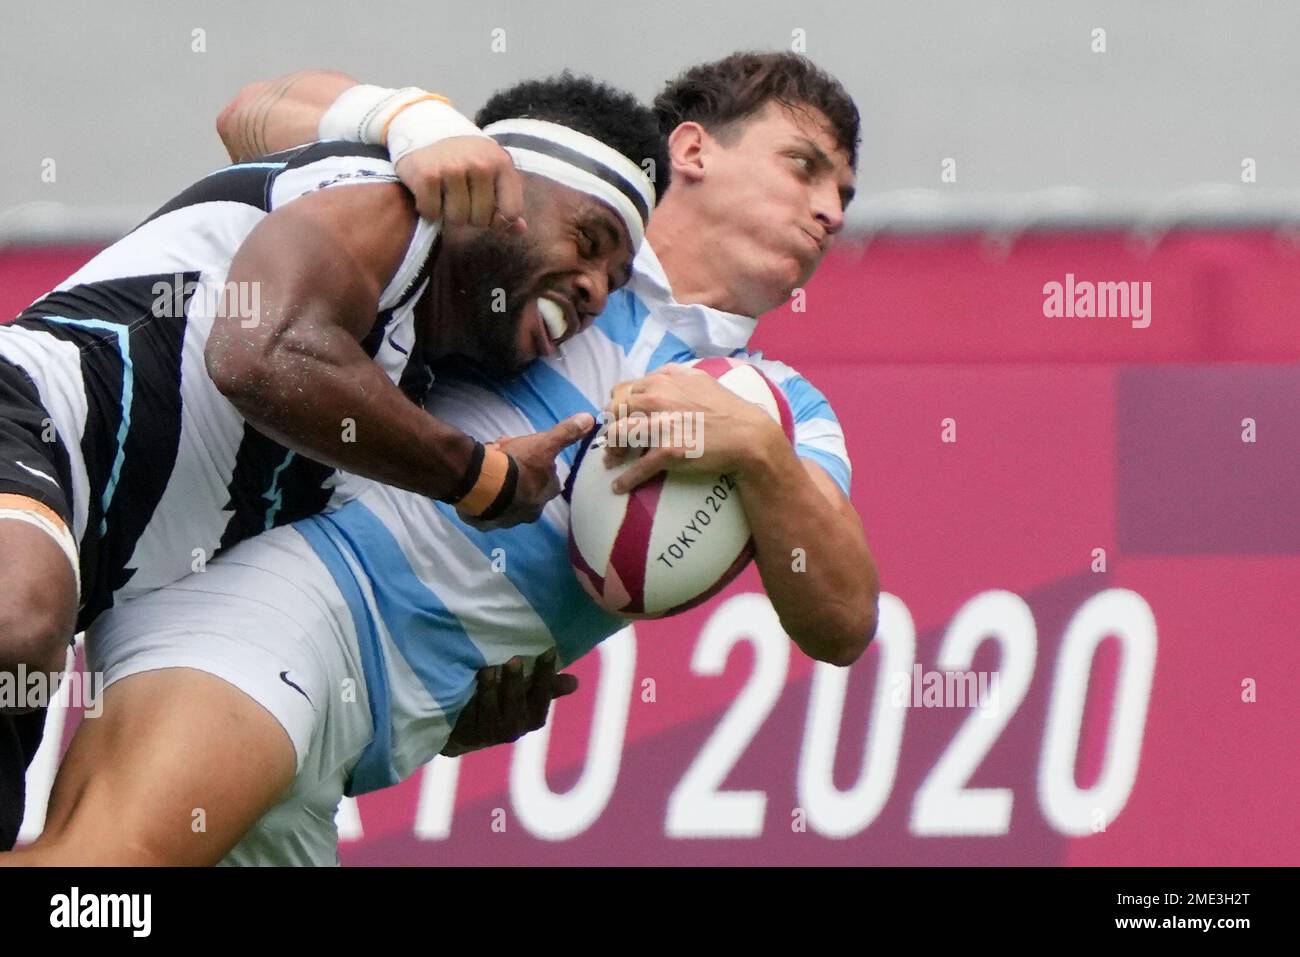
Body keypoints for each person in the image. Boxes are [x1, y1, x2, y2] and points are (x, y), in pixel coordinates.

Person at [4, 53, 879, 866]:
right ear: (691, 149)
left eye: (843, 192)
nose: (830, 211)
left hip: (375, 729)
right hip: (281, 610)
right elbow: (252, 119)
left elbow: (842, 621)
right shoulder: (510, 229)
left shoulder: (773, 406)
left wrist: (758, 451)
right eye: (803, 166)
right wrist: (413, 119)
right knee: (100, 876)